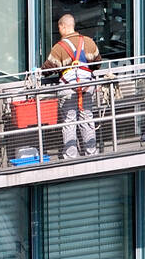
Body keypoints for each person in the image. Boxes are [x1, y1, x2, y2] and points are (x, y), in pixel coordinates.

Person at [43, 14, 101, 159]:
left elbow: (48, 69)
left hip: (68, 88)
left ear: (63, 27)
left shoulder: (59, 47)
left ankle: (70, 156)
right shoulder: (88, 42)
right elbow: (97, 63)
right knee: (87, 119)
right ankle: (91, 153)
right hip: (87, 86)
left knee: (69, 122)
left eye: (59, 27)